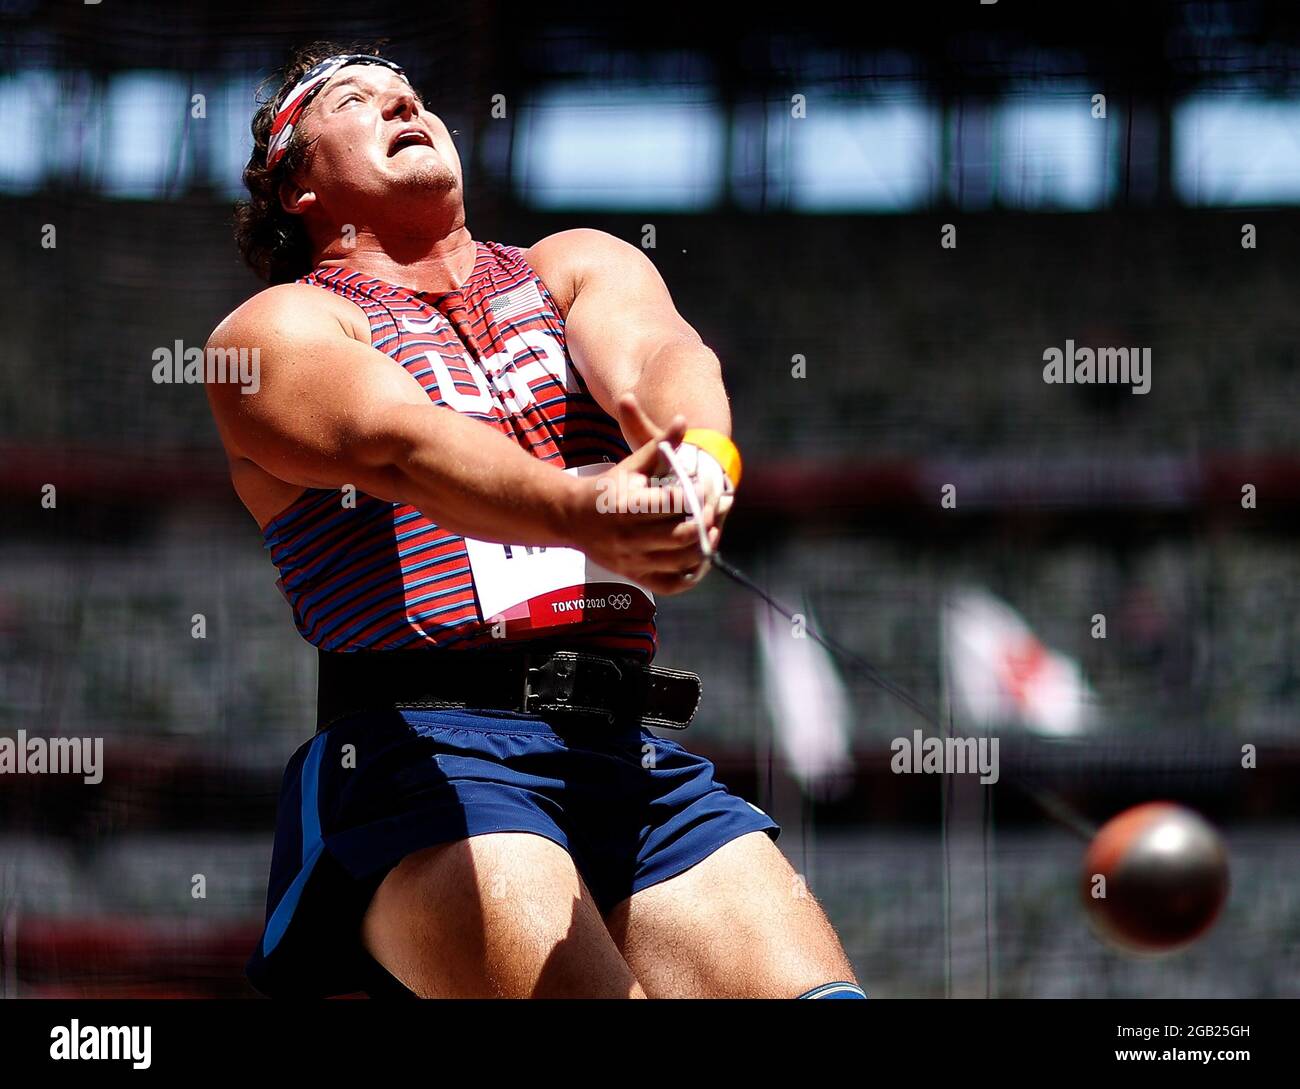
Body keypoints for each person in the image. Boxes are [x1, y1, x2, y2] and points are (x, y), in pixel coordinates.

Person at [205, 43, 863, 999]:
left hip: (624, 752)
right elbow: (401, 444)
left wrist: (697, 465)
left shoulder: (574, 265)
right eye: (357, 99)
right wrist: (585, 510)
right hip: (423, 751)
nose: (403, 106)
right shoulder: (271, 333)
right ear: (296, 186)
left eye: (412, 94)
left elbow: (661, 358)